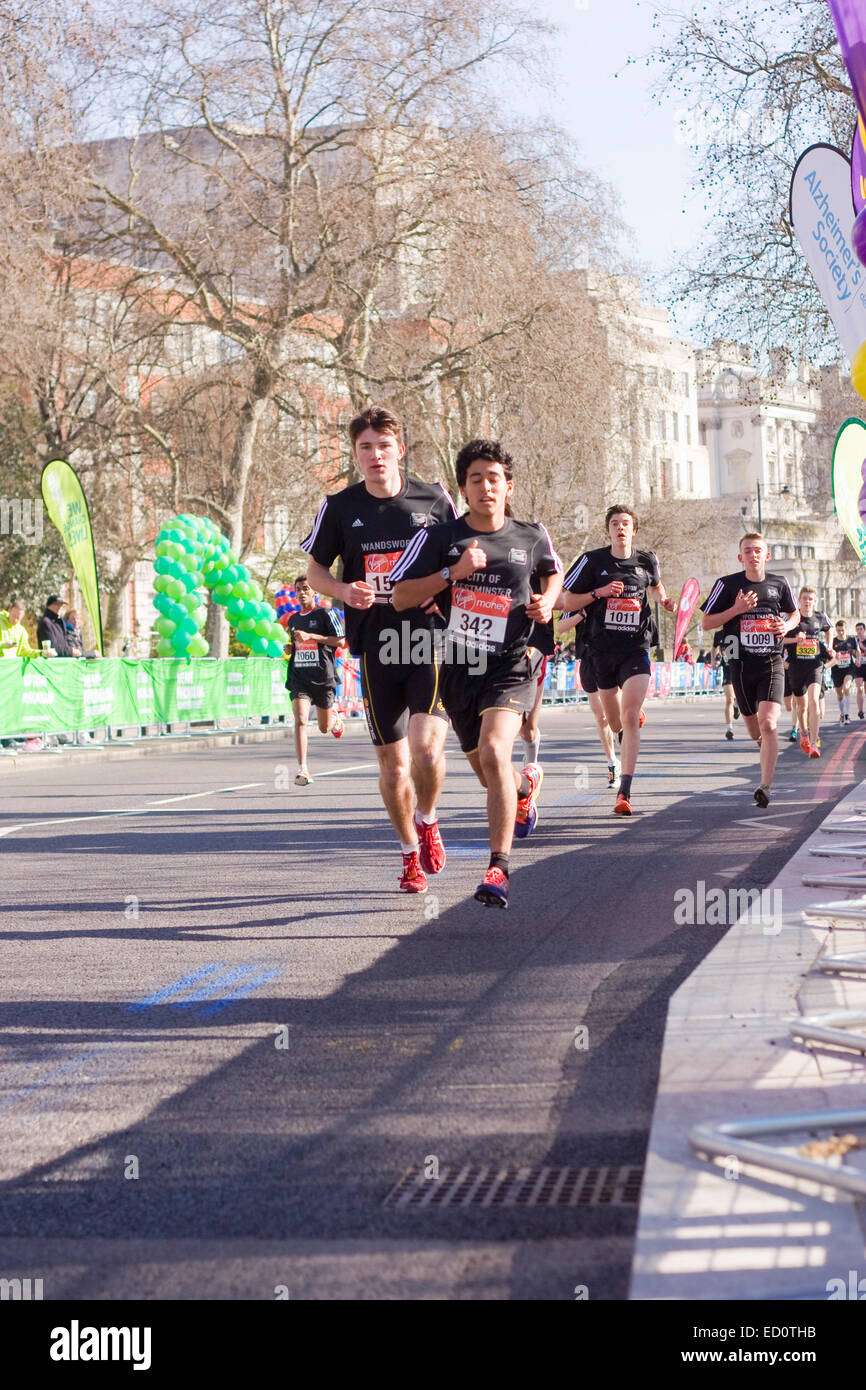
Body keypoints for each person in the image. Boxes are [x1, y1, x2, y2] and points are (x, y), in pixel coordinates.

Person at [391, 438, 562, 908]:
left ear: (509, 486)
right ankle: (526, 787)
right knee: (491, 772)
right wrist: (453, 574)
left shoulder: (531, 536)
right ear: (464, 490)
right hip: (460, 666)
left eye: (494, 478)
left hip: (513, 661)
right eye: (475, 479)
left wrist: (547, 600)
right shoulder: (441, 540)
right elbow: (402, 595)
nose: (486, 487)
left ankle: (499, 868)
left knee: (493, 748)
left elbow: (553, 572)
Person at [302, 404, 456, 894]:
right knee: (392, 764)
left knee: (426, 750)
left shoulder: (434, 500)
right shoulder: (340, 507)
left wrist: (443, 592)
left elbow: (463, 559)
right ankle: (410, 852)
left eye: (383, 446)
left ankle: (428, 817)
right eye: (365, 447)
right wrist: (344, 592)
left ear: (400, 450)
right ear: (355, 454)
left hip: (428, 638)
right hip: (374, 647)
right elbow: (316, 573)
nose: (375, 456)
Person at [557, 506, 675, 816]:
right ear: (607, 530)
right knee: (614, 723)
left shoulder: (647, 560)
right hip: (600, 651)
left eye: (625, 523)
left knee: (631, 714)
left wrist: (665, 600)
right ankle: (625, 724)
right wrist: (599, 593)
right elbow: (565, 601)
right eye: (614, 523)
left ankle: (624, 791)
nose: (620, 528)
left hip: (636, 647)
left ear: (634, 530)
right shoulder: (591, 561)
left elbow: (657, 586)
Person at [701, 533, 799, 807]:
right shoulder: (727, 584)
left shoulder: (779, 583)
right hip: (740, 666)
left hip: (771, 662)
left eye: (758, 550)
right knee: (756, 730)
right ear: (740, 557)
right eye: (748, 551)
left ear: (767, 555)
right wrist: (736, 609)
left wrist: (787, 626)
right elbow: (707, 623)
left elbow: (794, 614)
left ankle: (765, 787)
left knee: (769, 724)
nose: (753, 555)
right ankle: (763, 747)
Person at [284, 575, 345, 785]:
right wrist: (291, 648)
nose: (301, 593)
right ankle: (303, 769)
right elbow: (297, 643)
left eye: (306, 589)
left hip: (323, 677)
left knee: (324, 728)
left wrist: (312, 636)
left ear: (314, 592)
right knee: (300, 719)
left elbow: (341, 641)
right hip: (300, 677)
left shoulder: (326, 614)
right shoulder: (293, 619)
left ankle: (334, 718)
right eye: (298, 589)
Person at [559, 609, 620, 786]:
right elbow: (561, 627)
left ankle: (622, 730)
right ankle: (612, 764)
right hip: (587, 660)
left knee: (617, 717)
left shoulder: (612, 592)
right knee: (601, 718)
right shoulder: (577, 597)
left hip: (611, 658)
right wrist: (582, 614)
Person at [783, 587, 834, 757]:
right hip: (796, 668)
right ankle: (804, 731)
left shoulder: (820, 617)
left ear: (815, 601)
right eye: (804, 598)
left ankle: (814, 742)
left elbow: (830, 629)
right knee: (802, 706)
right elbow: (779, 638)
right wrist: (795, 640)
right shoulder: (792, 618)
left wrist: (830, 647)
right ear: (799, 599)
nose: (807, 601)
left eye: (811, 599)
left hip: (815, 665)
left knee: (814, 701)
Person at [711, 629, 739, 739]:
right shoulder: (719, 634)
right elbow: (714, 648)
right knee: (729, 699)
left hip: (741, 671)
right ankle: (729, 729)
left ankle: (737, 705)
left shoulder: (740, 630)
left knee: (738, 699)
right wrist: (713, 660)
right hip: (728, 670)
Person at [830, 619, 859, 724]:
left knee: (846, 687)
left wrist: (858, 659)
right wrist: (833, 656)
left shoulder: (851, 640)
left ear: (846, 629)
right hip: (836, 670)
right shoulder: (833, 641)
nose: (841, 633)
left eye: (842, 630)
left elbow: (857, 651)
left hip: (849, 668)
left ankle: (847, 715)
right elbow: (829, 655)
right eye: (838, 631)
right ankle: (842, 713)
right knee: (839, 694)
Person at [854, 621, 866, 719]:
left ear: (864, 630)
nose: (859, 631)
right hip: (859, 667)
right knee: (859, 689)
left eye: (861, 629)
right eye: (857, 629)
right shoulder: (854, 641)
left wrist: (862, 647)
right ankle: (860, 711)